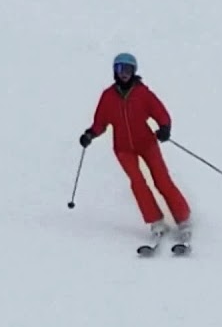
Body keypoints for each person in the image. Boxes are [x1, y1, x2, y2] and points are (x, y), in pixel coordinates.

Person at [79, 53, 192, 241]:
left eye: (128, 70)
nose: (124, 74)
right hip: (123, 148)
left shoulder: (142, 93)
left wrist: (164, 128)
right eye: (120, 69)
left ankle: (183, 218)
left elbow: (161, 112)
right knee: (137, 182)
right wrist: (90, 134)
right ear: (114, 71)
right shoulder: (108, 96)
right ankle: (156, 221)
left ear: (134, 72)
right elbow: (100, 122)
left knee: (161, 179)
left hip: (147, 143)